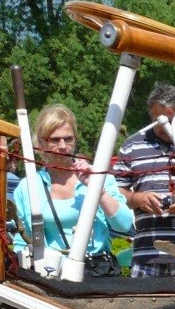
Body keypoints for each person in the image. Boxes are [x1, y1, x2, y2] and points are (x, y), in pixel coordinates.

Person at [11, 103, 133, 269]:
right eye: (54, 140)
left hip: (98, 270)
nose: (62, 146)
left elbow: (124, 225)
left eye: (68, 139)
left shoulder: (99, 177)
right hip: (51, 273)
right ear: (41, 143)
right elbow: (22, 239)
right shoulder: (28, 186)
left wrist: (97, 189)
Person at [115, 82, 175, 278]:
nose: (165, 127)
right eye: (159, 120)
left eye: (173, 120)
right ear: (151, 116)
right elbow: (116, 193)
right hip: (146, 256)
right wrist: (138, 199)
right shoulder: (132, 146)